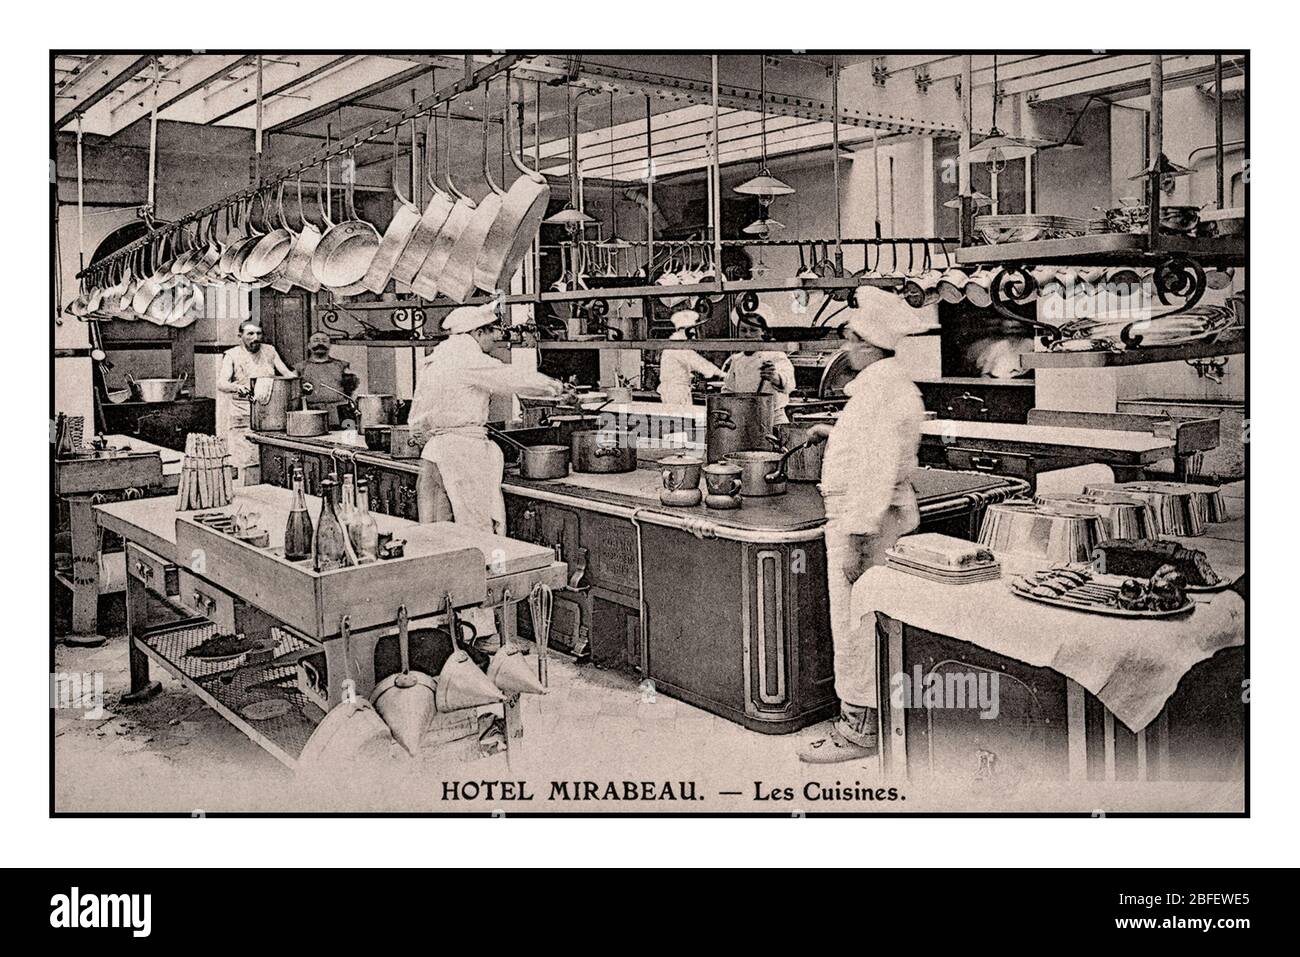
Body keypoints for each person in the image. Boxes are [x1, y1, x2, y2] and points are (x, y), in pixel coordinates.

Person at [799, 289, 936, 763]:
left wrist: (857, 536)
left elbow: (875, 470)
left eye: (849, 336)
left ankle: (857, 731)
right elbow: (873, 447)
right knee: (871, 623)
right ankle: (873, 718)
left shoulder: (879, 389)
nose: (846, 345)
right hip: (876, 517)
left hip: (867, 524)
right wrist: (832, 434)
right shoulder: (889, 385)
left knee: (855, 625)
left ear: (865, 343)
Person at [408, 302, 568, 534]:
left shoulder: (436, 358)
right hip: (463, 455)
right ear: (477, 332)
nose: (496, 337)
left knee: (436, 533)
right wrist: (556, 387)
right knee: (477, 530)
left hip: (433, 454)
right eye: (493, 330)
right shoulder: (468, 358)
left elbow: (417, 420)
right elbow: (512, 378)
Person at [216, 320, 295, 482]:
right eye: (250, 334)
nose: (255, 337)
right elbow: (221, 383)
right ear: (240, 336)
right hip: (242, 414)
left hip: (268, 415)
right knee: (248, 461)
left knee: (268, 459)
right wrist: (237, 387)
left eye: (258, 334)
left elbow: (286, 373)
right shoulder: (232, 355)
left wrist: (297, 379)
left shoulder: (269, 351)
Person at [721, 302, 797, 425]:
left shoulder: (775, 355)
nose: (747, 335)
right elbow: (728, 390)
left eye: (753, 330)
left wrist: (775, 377)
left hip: (773, 420)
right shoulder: (736, 359)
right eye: (743, 330)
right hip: (745, 418)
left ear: (763, 332)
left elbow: (790, 384)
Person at [655, 308, 724, 408]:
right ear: (685, 331)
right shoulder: (679, 346)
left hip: (672, 390)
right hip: (677, 392)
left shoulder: (673, 344)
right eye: (692, 333)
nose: (694, 338)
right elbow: (699, 363)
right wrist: (720, 373)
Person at [296, 332, 358, 427]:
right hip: (312, 415)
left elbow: (354, 390)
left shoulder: (342, 365)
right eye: (316, 340)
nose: (320, 343)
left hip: (340, 415)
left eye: (324, 341)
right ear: (308, 345)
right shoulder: (299, 368)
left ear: (330, 345)